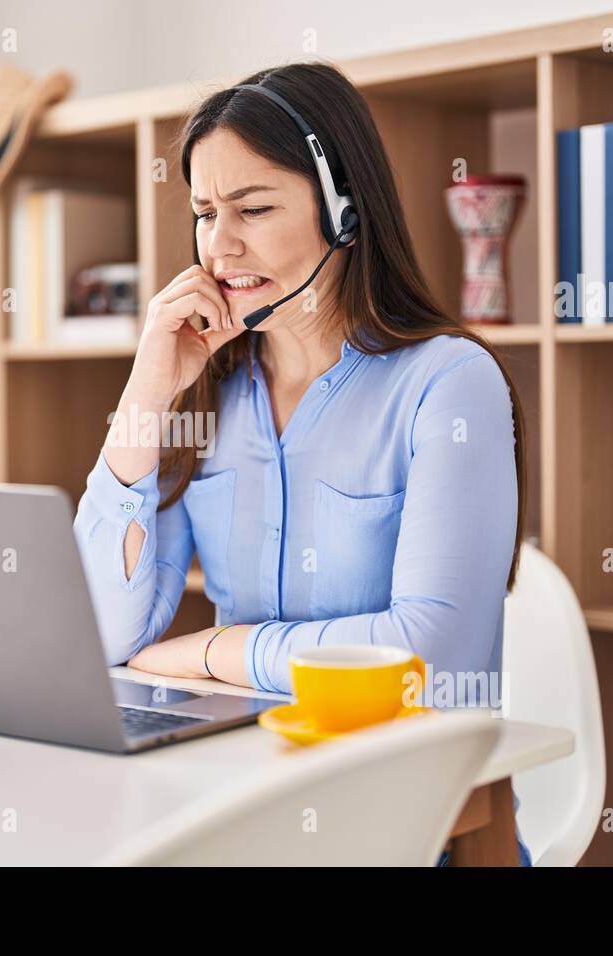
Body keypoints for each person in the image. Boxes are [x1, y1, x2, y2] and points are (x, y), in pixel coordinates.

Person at [72, 62, 531, 865]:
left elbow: (429, 658)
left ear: (345, 212)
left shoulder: (449, 385)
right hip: (245, 801)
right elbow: (103, 634)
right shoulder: (206, 390)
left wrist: (217, 651)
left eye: (253, 208)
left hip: (413, 821)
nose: (219, 247)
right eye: (205, 213)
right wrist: (147, 389)